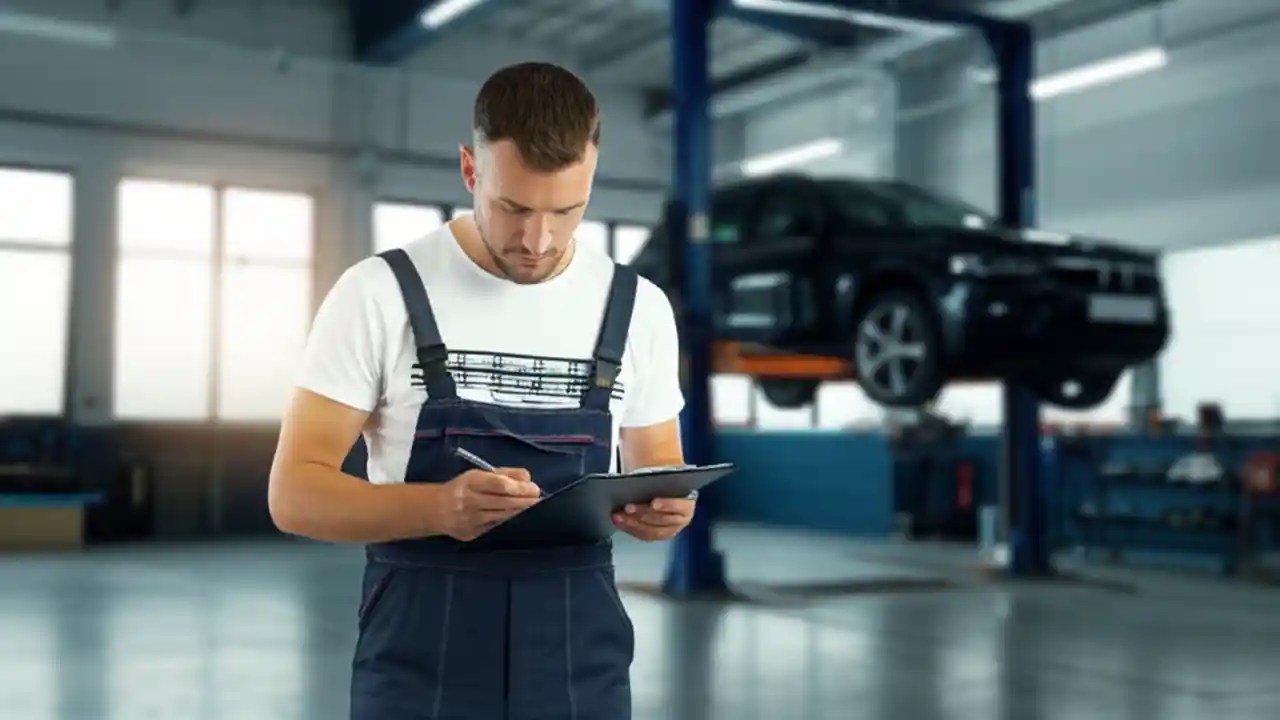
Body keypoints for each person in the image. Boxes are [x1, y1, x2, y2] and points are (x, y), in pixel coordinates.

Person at [267, 61, 695, 720]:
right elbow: (294, 493)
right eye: (513, 207)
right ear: (471, 170)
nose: (537, 240)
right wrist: (438, 509)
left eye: (567, 211)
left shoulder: (638, 307)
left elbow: (659, 468)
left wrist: (668, 509)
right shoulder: (378, 294)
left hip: (581, 663)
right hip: (417, 658)